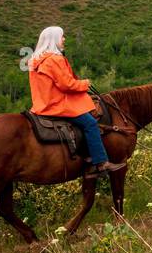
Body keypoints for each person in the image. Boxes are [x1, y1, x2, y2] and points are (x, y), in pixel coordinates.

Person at [28, 26, 125, 174]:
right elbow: (67, 84)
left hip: (40, 105)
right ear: (54, 39)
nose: (64, 39)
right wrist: (84, 84)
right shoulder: (55, 59)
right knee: (90, 123)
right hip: (56, 105)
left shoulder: (35, 60)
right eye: (62, 37)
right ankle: (101, 162)